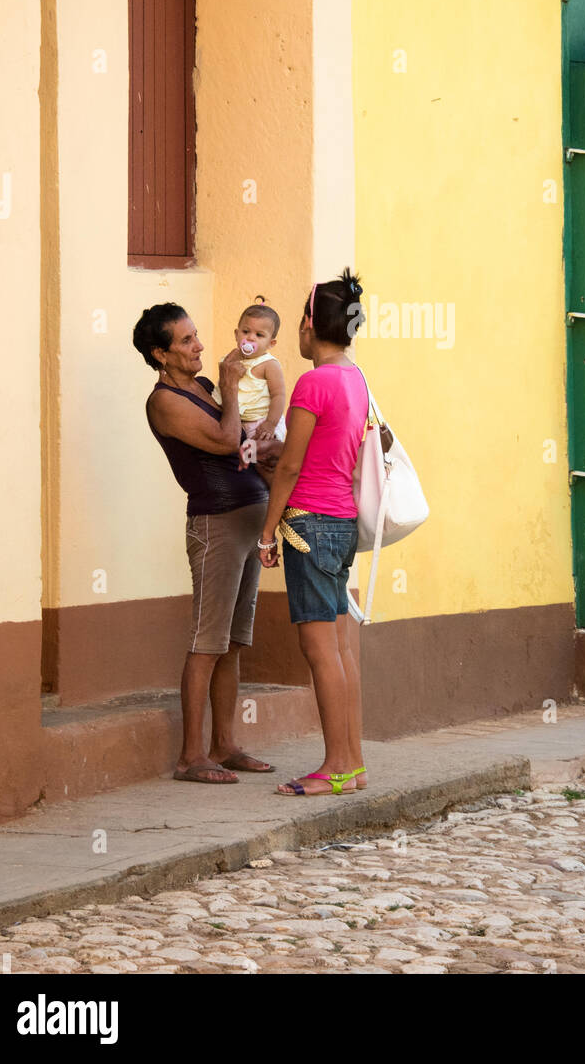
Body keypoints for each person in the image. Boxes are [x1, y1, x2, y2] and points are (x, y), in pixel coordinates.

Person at [132, 303, 281, 785]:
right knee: (207, 641)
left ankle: (225, 744)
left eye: (196, 336)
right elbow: (224, 439)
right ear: (161, 354)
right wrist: (234, 389)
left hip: (248, 518)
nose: (199, 346)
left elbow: (244, 446)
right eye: (186, 341)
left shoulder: (201, 388)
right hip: (215, 523)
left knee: (233, 643)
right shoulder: (164, 401)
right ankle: (190, 757)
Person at [257, 269, 370, 796]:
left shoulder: (313, 381)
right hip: (342, 522)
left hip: (309, 524)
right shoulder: (355, 378)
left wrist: (265, 532)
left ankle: (335, 768)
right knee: (340, 648)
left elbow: (290, 468)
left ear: (308, 324)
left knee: (320, 649)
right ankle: (353, 762)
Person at [211, 297, 286, 451]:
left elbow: (279, 395)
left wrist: (270, 423)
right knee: (246, 459)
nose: (251, 337)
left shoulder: (268, 364)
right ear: (236, 334)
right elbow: (223, 386)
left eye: (259, 335)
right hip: (239, 423)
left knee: (265, 457)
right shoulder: (230, 358)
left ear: (271, 343)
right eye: (246, 332)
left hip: (262, 422)